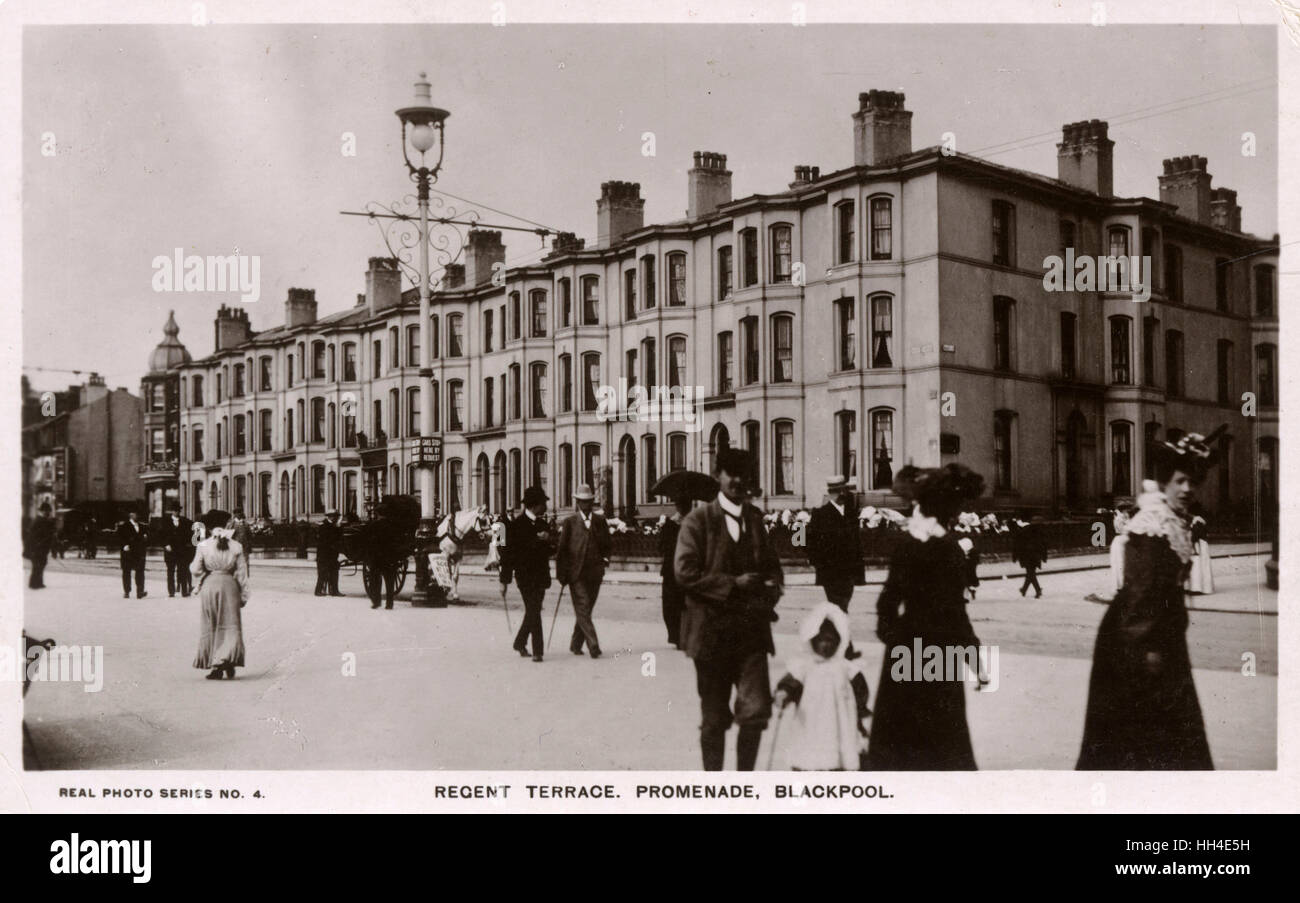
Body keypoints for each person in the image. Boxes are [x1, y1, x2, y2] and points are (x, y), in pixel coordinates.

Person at [1077, 430, 1221, 770]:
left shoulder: (1171, 521)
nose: (1187, 489)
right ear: (1165, 483)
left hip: (1162, 634)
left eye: (1193, 482)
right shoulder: (1150, 526)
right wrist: (1148, 650)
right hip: (1138, 638)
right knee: (1144, 726)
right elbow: (1139, 594)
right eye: (1180, 481)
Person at [866, 463, 987, 771]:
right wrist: (975, 660)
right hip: (941, 653)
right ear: (947, 509)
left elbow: (886, 605)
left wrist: (897, 640)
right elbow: (956, 614)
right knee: (943, 743)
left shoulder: (907, 545)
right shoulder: (949, 549)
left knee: (900, 743)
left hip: (907, 651)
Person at [674, 447, 784, 771]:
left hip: (751, 634)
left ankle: (743, 787)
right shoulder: (699, 520)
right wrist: (733, 584)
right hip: (710, 635)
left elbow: (774, 568)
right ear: (717, 475)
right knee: (714, 719)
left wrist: (770, 591)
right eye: (730, 473)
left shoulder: (755, 520)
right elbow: (684, 572)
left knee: (755, 713)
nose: (737, 480)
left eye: (743, 474)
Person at [773, 603, 871, 771]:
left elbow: (860, 690)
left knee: (841, 752)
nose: (825, 645)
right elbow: (791, 682)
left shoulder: (846, 668)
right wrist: (784, 693)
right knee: (808, 753)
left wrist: (860, 712)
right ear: (812, 640)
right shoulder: (805, 666)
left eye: (830, 640)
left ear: (840, 641)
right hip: (811, 723)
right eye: (820, 640)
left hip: (840, 724)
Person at [556, 484, 612, 658]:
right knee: (583, 606)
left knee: (585, 609)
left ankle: (575, 643)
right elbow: (562, 550)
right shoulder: (570, 522)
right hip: (576, 573)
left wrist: (605, 559)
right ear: (578, 503)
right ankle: (593, 645)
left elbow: (608, 544)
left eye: (588, 501)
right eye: (582, 502)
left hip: (595, 572)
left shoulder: (600, 521)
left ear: (592, 502)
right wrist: (562, 575)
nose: (586, 505)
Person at [501, 486, 555, 662]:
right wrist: (504, 581)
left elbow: (551, 550)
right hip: (524, 576)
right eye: (543, 503)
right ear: (535, 505)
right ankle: (538, 650)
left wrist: (548, 541)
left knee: (534, 609)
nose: (546, 506)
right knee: (534, 609)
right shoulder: (516, 525)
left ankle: (519, 642)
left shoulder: (543, 524)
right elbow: (508, 554)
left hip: (541, 576)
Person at [191, 523, 249, 680]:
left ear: (210, 529)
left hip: (211, 585)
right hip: (230, 585)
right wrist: (244, 595)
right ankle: (228, 659)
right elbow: (242, 573)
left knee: (212, 623)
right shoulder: (236, 545)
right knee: (231, 623)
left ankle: (216, 665)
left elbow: (195, 569)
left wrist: (208, 571)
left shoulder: (203, 545)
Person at [806, 475, 866, 614]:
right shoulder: (820, 513)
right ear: (838, 492)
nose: (846, 493)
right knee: (838, 607)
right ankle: (839, 633)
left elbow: (856, 541)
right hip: (830, 571)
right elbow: (801, 535)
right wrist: (813, 558)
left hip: (849, 571)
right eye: (843, 490)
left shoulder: (851, 512)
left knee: (842, 606)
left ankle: (839, 633)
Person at [658, 494, 692, 649]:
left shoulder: (673, 525)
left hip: (679, 570)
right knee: (677, 603)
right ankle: (680, 635)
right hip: (680, 570)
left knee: (677, 603)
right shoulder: (690, 524)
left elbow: (661, 547)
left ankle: (680, 636)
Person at [161, 503, 195, 597]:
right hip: (170, 551)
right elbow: (161, 535)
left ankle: (184, 591)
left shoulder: (185, 521)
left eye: (178, 511)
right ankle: (171, 591)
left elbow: (190, 533)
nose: (176, 512)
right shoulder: (166, 521)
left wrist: (189, 544)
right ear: (172, 511)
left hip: (181, 550)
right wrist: (166, 544)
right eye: (174, 510)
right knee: (170, 571)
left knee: (183, 570)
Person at [116, 510, 149, 599]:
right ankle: (127, 591)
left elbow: (147, 538)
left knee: (140, 571)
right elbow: (119, 538)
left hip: (139, 552)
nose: (137, 516)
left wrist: (146, 538)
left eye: (137, 514)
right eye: (135, 514)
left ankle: (140, 591)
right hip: (128, 552)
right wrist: (124, 545)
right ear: (130, 515)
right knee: (126, 571)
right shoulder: (124, 526)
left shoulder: (142, 526)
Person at [1012, 517, 1047, 598]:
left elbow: (1017, 545)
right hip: (1036, 555)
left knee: (1030, 573)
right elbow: (1044, 545)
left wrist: (1015, 556)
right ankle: (1024, 589)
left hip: (1026, 555)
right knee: (1031, 573)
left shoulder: (1023, 531)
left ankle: (1037, 590)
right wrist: (1044, 556)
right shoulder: (1039, 532)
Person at [25, 503, 56, 589]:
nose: (48, 513)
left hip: (41, 548)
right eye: (47, 511)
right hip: (37, 548)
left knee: (41, 564)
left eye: (49, 511)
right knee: (37, 565)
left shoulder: (43, 520)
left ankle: (38, 582)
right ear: (42, 511)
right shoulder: (39, 521)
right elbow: (34, 536)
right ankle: (34, 583)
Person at [1184, 509, 1214, 596]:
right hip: (1197, 545)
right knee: (1196, 567)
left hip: (1198, 546)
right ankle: (1196, 587)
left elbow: (1195, 536)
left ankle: (1197, 588)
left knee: (1197, 566)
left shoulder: (1196, 522)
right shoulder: (1196, 521)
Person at [315, 511, 343, 596]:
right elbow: (330, 538)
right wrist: (337, 527)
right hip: (324, 554)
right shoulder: (323, 526)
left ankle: (334, 591)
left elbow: (338, 537)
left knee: (334, 572)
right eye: (336, 517)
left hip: (332, 554)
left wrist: (338, 527)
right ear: (331, 517)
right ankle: (318, 591)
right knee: (322, 573)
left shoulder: (334, 525)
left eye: (337, 517)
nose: (337, 518)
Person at [956, 535, 980, 602]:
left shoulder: (964, 545)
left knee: (966, 579)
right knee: (969, 578)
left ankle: (967, 593)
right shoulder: (972, 549)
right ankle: (971, 590)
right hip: (969, 565)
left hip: (967, 565)